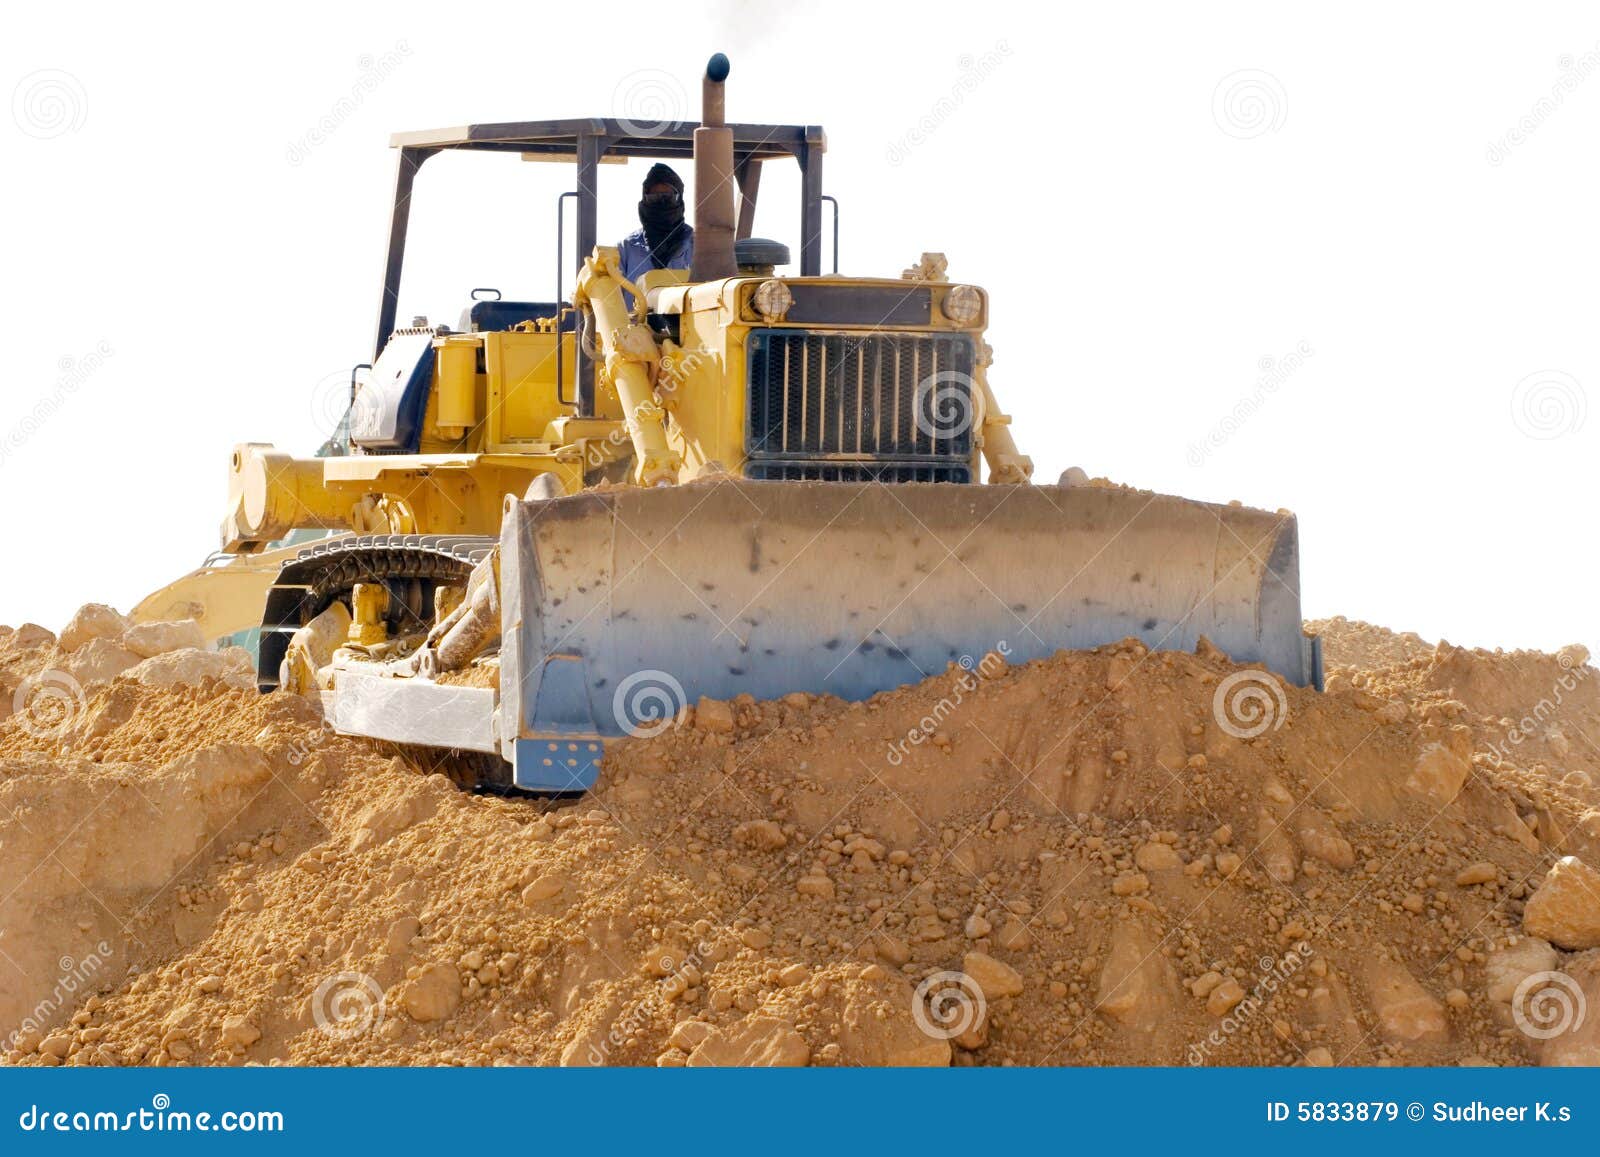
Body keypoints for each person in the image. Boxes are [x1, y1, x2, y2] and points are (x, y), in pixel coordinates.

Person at [618, 163, 694, 284]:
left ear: (680, 200)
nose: (661, 203)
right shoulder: (626, 249)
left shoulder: (700, 247)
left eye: (668, 197)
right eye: (654, 198)